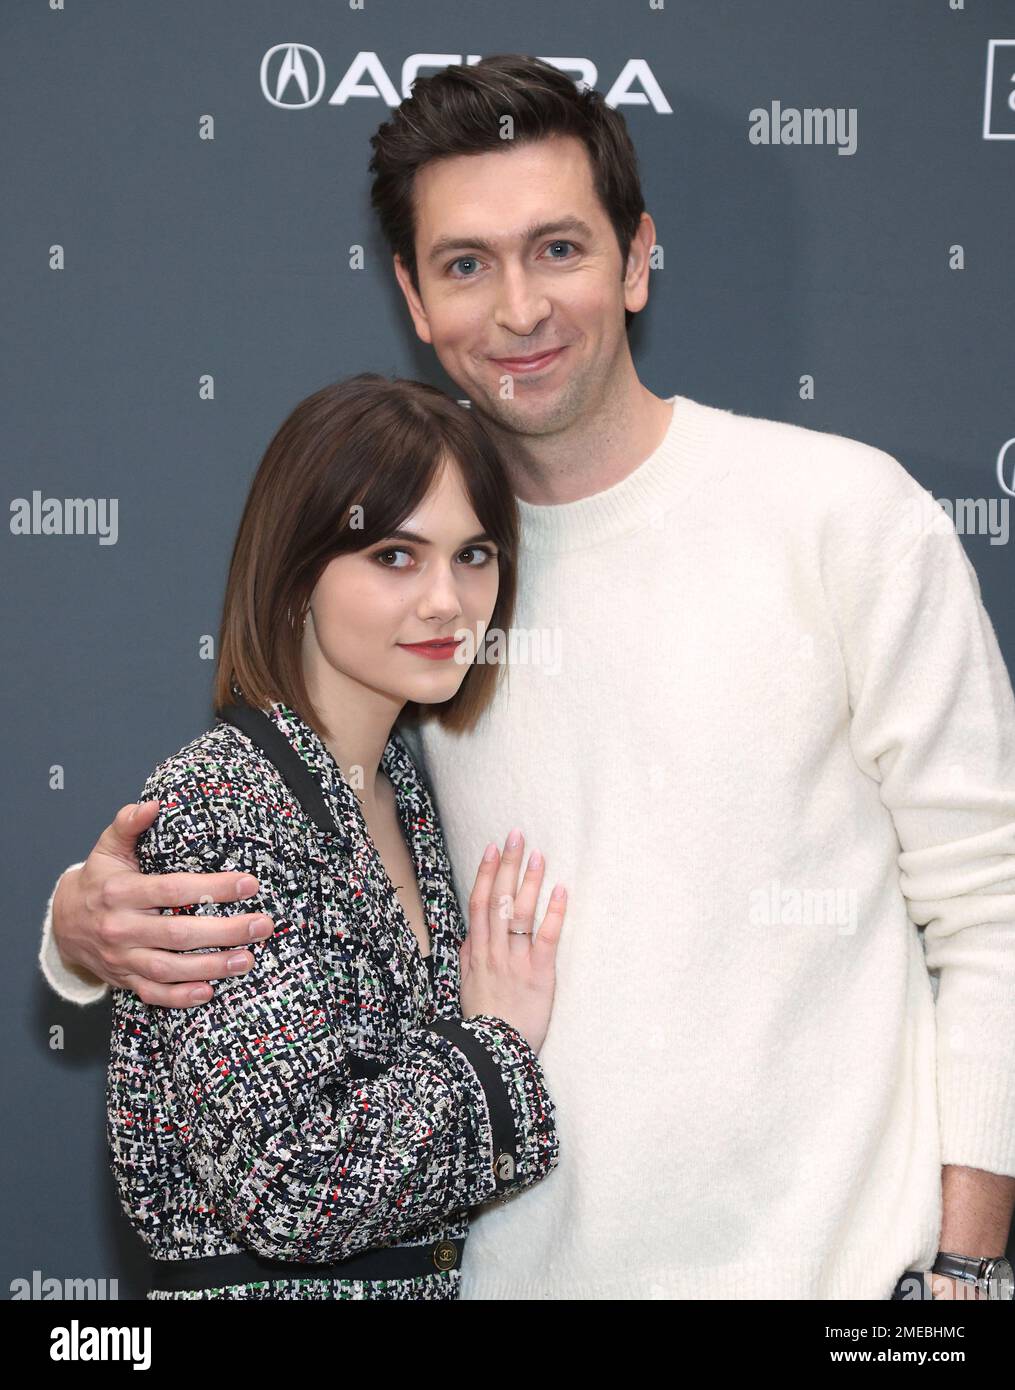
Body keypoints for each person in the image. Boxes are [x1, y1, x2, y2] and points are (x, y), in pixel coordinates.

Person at [40, 56, 1015, 1300]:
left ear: (637, 258)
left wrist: (965, 1270)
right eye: (465, 264)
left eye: (557, 249)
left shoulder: (845, 515)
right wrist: (78, 928)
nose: (517, 309)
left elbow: (991, 904)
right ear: (412, 295)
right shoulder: (407, 592)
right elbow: (296, 847)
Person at [106, 373, 566, 1299]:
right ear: (296, 574)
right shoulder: (221, 805)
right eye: (395, 556)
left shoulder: (410, 791)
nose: (447, 601)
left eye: (474, 555)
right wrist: (493, 1047)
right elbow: (290, 1186)